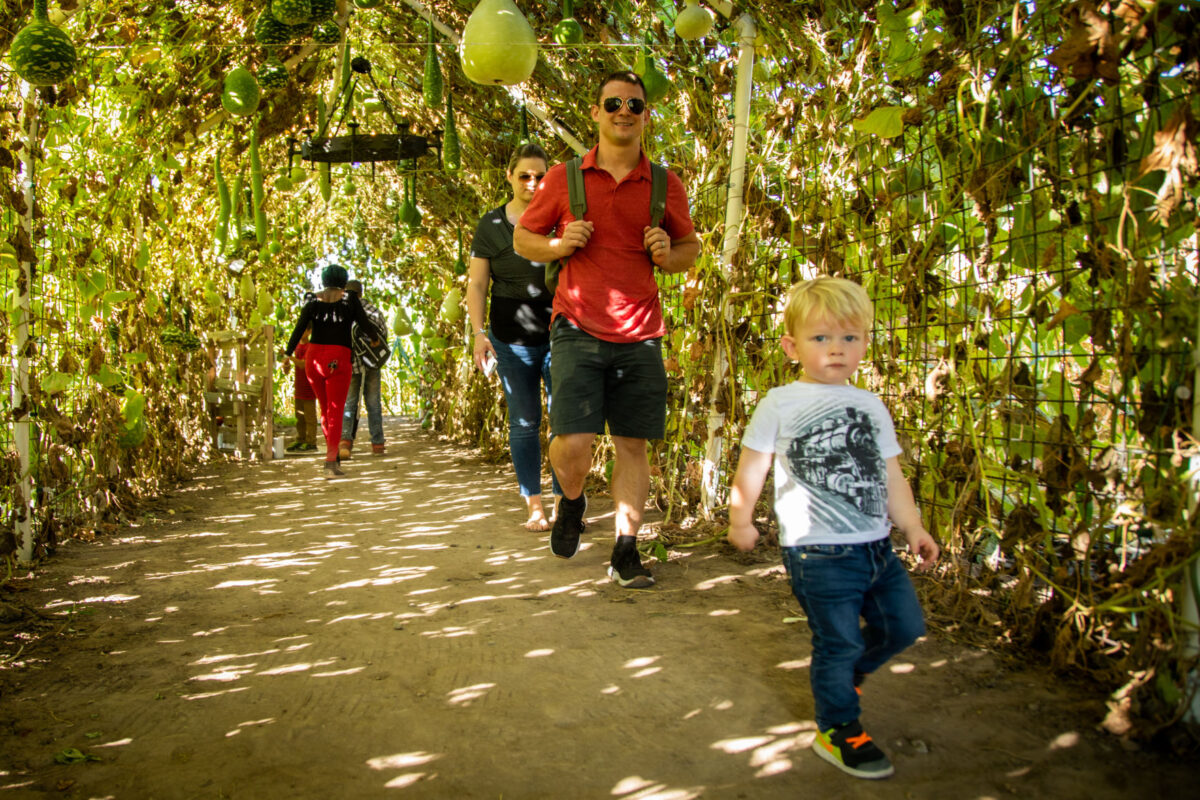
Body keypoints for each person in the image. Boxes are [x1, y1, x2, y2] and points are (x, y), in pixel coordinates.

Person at [726, 276, 940, 780]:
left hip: (876, 549)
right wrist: (742, 519)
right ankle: (837, 726)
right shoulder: (780, 402)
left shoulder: (871, 405)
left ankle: (847, 679)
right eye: (821, 338)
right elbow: (752, 464)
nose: (837, 350)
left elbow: (890, 474)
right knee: (838, 642)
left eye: (850, 337)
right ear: (792, 345)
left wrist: (912, 527)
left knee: (904, 626)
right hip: (817, 553)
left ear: (866, 342)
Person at [513, 71, 701, 588]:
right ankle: (571, 500)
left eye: (634, 105)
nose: (624, 111)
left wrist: (669, 254)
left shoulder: (664, 184)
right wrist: (558, 245)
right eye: (613, 102)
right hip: (576, 325)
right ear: (595, 113)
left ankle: (625, 551)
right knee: (572, 444)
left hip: (641, 332)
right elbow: (524, 240)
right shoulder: (564, 177)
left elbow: (691, 248)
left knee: (633, 444)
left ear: (645, 115)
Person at [467, 142, 562, 531]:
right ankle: (534, 507)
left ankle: (565, 505)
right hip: (510, 339)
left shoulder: (560, 220)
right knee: (524, 423)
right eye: (524, 175)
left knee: (565, 423)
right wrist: (477, 334)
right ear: (509, 177)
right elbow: (476, 284)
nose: (532, 182)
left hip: (561, 334)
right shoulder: (490, 226)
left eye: (540, 176)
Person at [283, 265, 375, 478]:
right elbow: (364, 323)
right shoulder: (350, 299)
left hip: (313, 359)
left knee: (325, 410)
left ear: (324, 281)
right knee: (336, 411)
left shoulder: (312, 300)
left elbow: (299, 327)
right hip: (338, 358)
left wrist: (287, 355)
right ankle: (330, 462)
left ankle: (332, 454)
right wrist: (375, 338)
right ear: (344, 282)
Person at [339, 279, 389, 459]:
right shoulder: (374, 311)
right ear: (361, 293)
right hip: (373, 363)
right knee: (373, 402)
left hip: (352, 364)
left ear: (346, 292)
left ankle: (345, 441)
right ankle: (378, 443)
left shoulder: (344, 311)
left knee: (349, 402)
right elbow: (384, 335)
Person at [284, 325, 318, 452]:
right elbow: (288, 369)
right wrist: (286, 364)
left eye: (304, 329)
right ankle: (301, 439)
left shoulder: (310, 347)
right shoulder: (297, 346)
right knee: (299, 417)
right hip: (298, 387)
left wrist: (289, 356)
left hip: (309, 387)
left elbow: (303, 364)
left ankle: (311, 441)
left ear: (309, 331)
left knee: (310, 417)